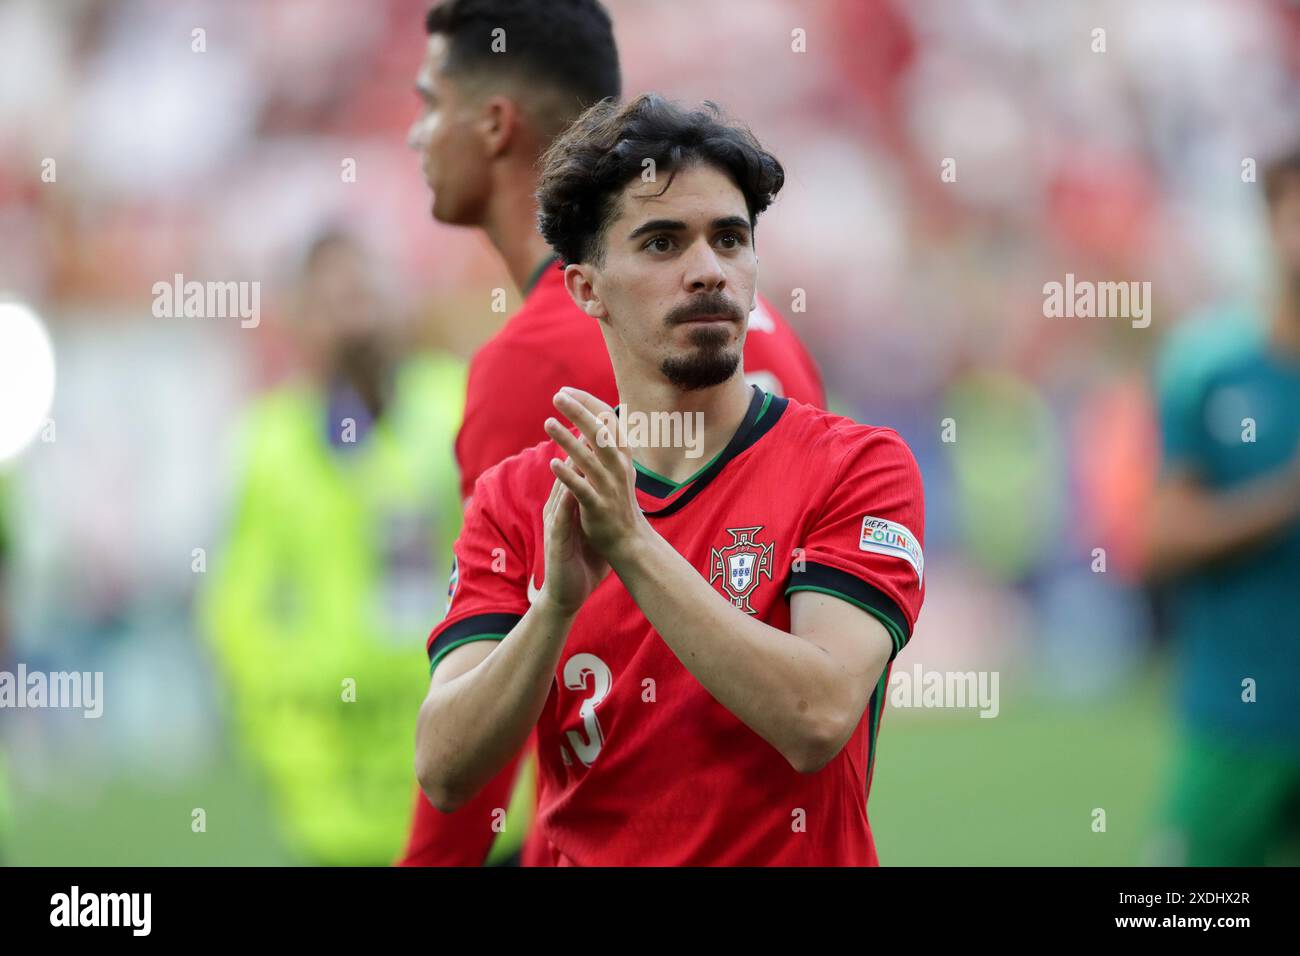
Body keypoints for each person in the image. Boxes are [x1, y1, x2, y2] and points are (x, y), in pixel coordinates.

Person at [413, 94, 925, 865]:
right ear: (587, 289)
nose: (708, 271)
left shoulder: (855, 467)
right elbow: (445, 770)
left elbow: (817, 719)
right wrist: (553, 608)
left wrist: (633, 546)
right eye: (662, 243)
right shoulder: (521, 500)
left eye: (729, 239)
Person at [202, 233, 466, 865]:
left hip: (470, 786)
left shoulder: (459, 404)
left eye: (367, 285)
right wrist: (288, 726)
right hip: (337, 804)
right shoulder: (268, 444)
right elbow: (236, 614)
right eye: (331, 295)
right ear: (297, 320)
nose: (354, 309)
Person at [1144, 145, 1300, 865]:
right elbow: (1160, 539)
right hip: (1239, 722)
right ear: (1271, 224)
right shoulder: (1213, 368)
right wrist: (1285, 497)